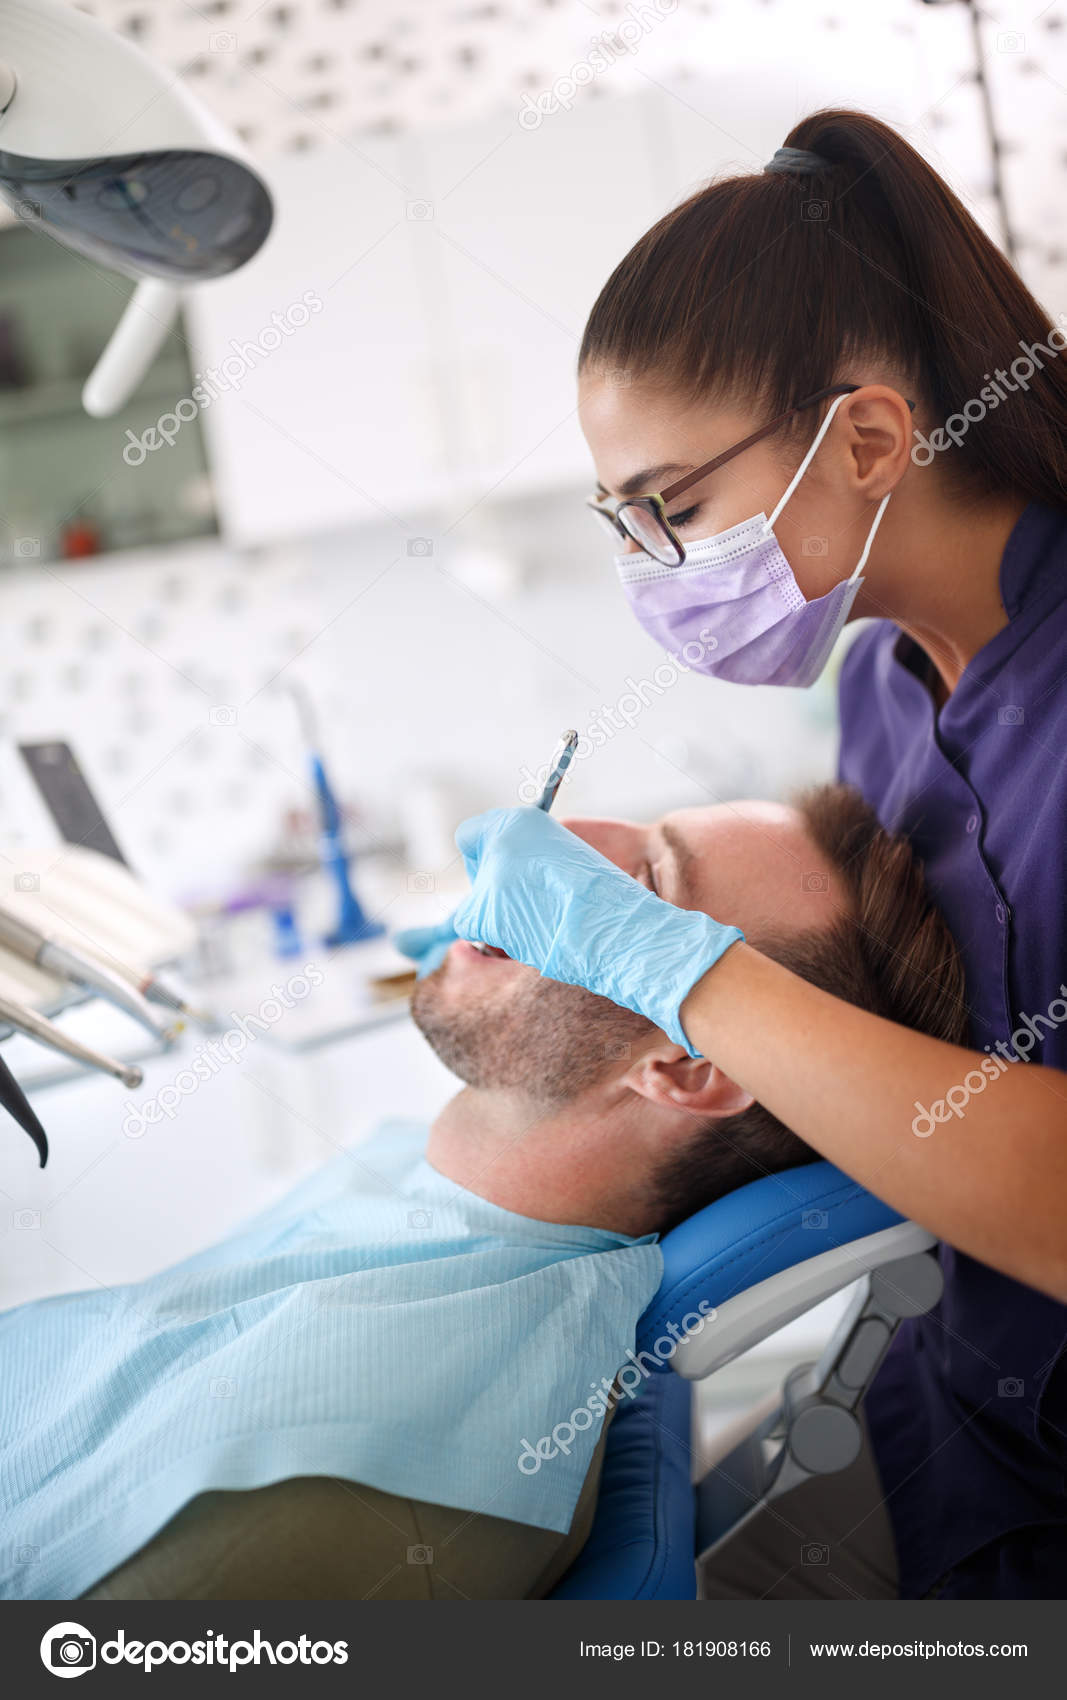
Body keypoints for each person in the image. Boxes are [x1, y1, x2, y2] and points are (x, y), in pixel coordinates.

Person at [405, 109, 1067, 1601]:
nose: (650, 566)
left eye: (673, 508)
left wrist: (663, 960)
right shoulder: (888, 696)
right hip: (946, 1422)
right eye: (620, 520)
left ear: (871, 437)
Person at [1, 785, 962, 1602]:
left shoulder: (381, 1460)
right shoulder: (410, 1185)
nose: (554, 843)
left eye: (642, 884)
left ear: (685, 1068)